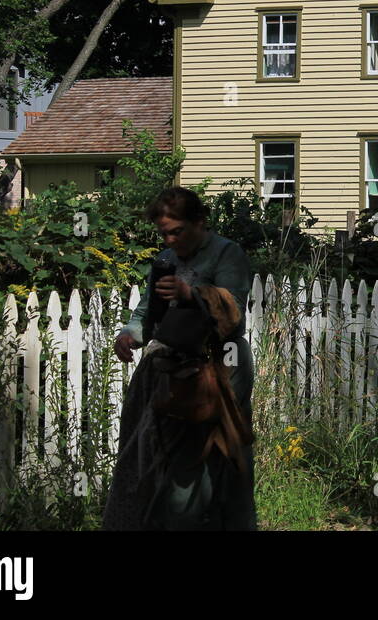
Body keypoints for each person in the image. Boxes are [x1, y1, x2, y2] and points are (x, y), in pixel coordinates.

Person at [102, 186, 257, 530]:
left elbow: (234, 315)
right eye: (164, 233)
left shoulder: (226, 253)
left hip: (221, 367)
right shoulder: (165, 262)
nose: (171, 240)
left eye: (177, 231)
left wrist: (193, 295)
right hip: (172, 372)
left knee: (228, 453)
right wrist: (129, 335)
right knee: (171, 463)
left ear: (199, 221)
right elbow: (147, 312)